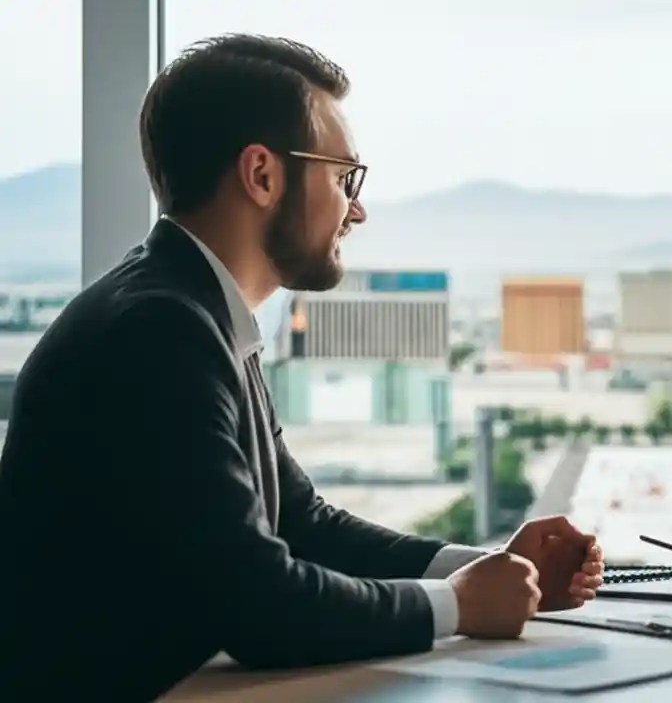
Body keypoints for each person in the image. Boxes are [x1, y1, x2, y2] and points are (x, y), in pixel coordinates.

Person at [0, 34, 604, 701]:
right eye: (344, 177)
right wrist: (458, 604)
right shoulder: (158, 331)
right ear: (262, 175)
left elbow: (300, 522)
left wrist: (490, 568)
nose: (358, 208)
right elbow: (261, 606)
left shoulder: (190, 310)